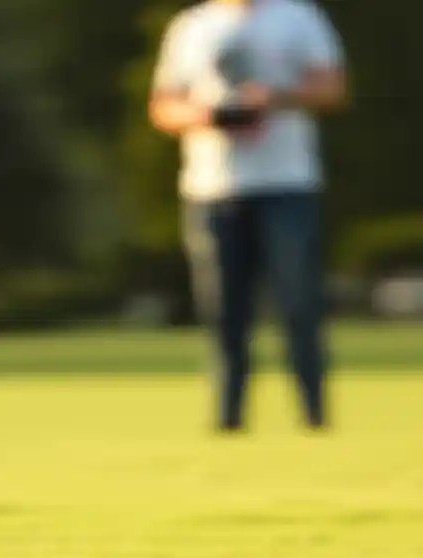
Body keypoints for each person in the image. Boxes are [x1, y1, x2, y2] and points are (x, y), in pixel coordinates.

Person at [149, 0, 348, 432]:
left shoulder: (298, 17)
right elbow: (164, 106)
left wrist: (273, 98)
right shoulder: (192, 26)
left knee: (299, 304)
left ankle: (315, 417)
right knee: (223, 310)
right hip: (213, 187)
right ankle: (229, 420)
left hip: (287, 183)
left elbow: (332, 89)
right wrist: (206, 116)